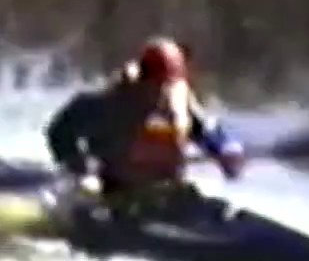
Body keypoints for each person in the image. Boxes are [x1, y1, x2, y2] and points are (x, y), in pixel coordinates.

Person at [44, 37, 246, 217]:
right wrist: (75, 162)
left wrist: (226, 150)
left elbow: (207, 131)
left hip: (169, 191)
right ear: (143, 79)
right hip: (119, 193)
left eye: (167, 85)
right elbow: (60, 130)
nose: (162, 92)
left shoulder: (178, 100)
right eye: (157, 85)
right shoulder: (111, 103)